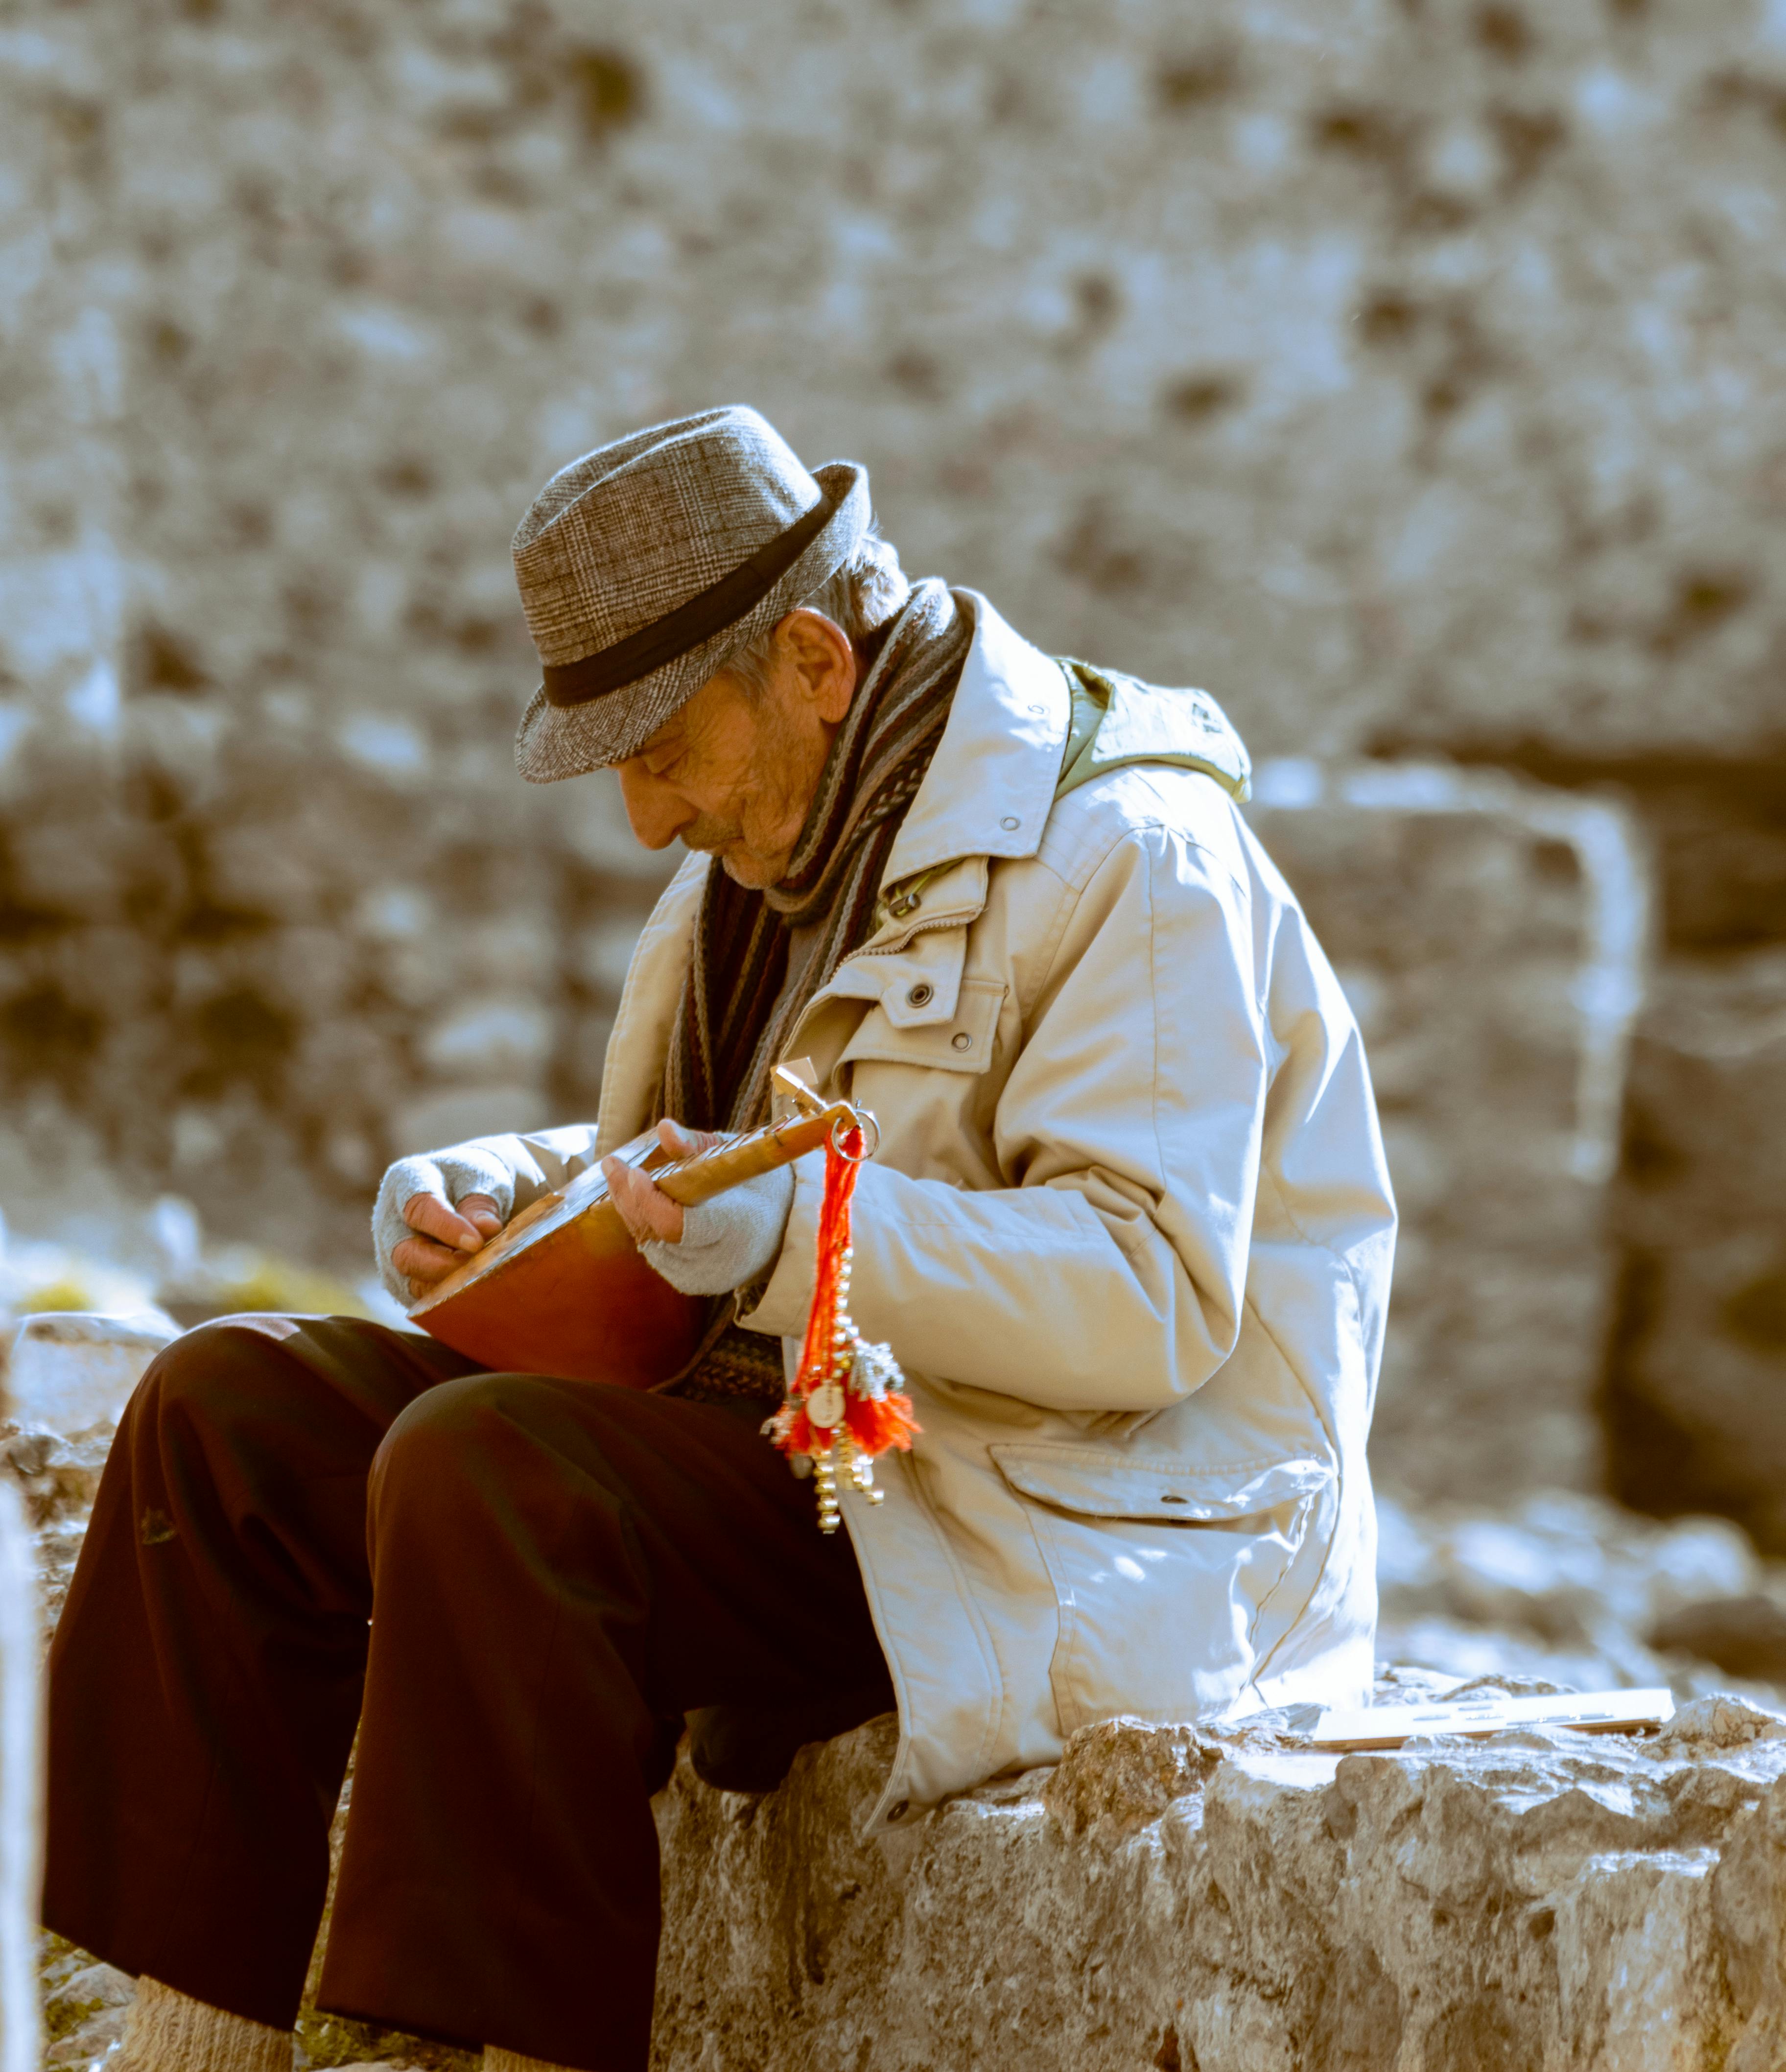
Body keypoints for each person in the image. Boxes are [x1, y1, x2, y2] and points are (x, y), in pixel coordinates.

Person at [43, 406, 1396, 2072]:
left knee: (494, 1471)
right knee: (221, 1412)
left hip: (1049, 1516)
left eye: (660, 748)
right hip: (805, 1457)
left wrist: (793, 1229)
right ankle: (190, 2053)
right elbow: (695, 1166)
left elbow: (1149, 1299)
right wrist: (498, 1188)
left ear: (816, 662)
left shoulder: (1135, 855)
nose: (641, 817)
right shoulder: (764, 847)